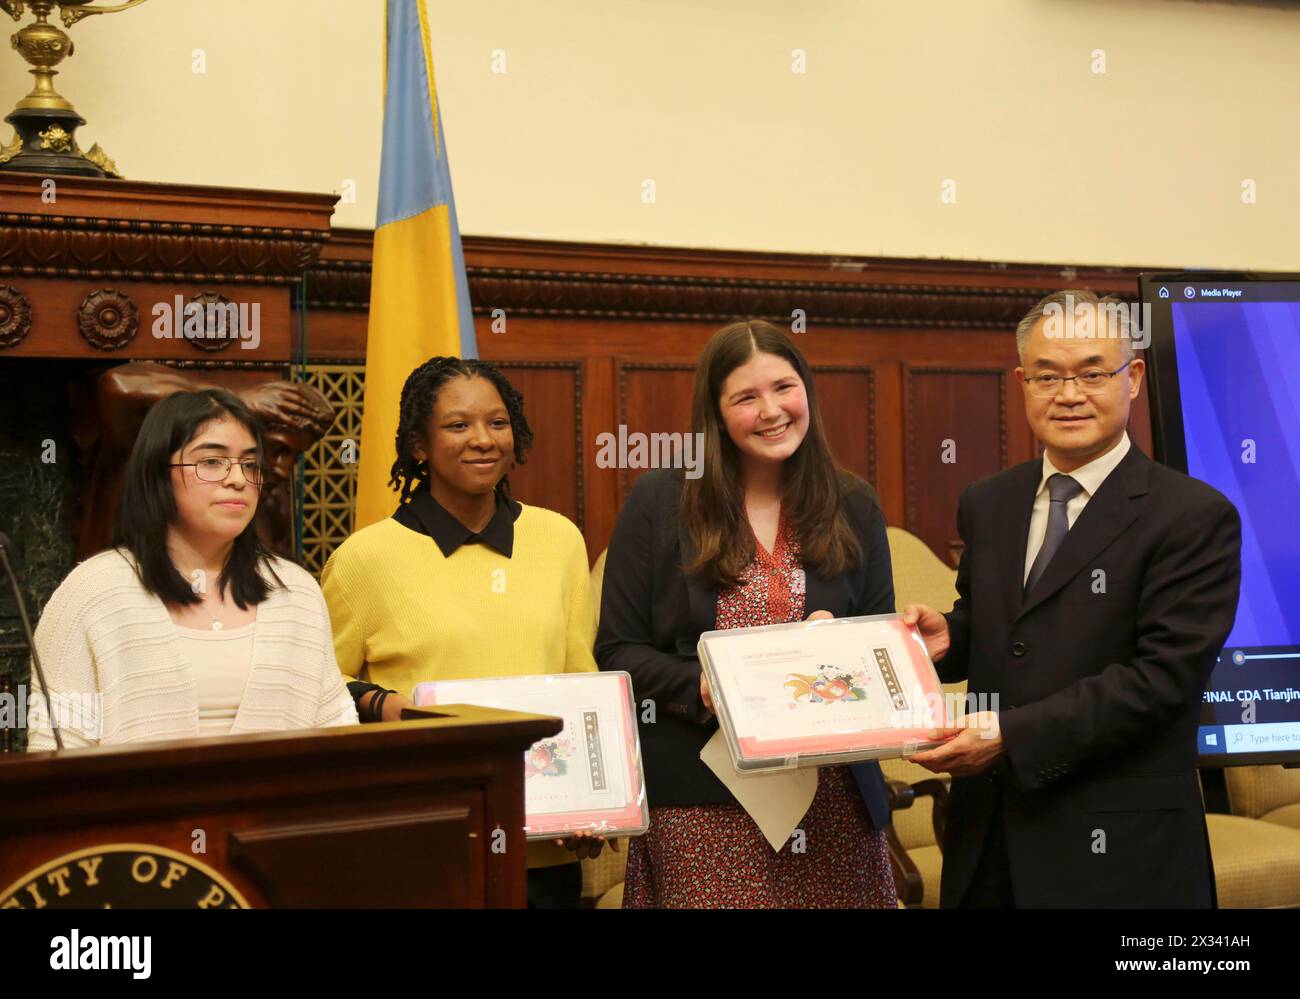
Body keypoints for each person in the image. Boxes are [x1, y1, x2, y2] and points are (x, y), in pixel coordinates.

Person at [905, 290, 1242, 908]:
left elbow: (1161, 680)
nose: (1068, 394)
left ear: (1133, 377)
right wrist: (949, 639)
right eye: (1048, 376)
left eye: (1092, 373)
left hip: (1120, 850)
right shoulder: (990, 501)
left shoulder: (1192, 516)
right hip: (990, 839)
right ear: (1022, 382)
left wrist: (1010, 733)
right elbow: (1005, 630)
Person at [596, 319, 898, 908]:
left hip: (832, 802)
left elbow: (883, 641)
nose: (771, 410)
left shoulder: (853, 502)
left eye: (784, 387)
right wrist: (701, 685)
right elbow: (617, 649)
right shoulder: (661, 502)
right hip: (703, 801)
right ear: (716, 413)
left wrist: (845, 649)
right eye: (745, 397)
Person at [320, 356, 606, 908]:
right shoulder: (364, 560)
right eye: (458, 425)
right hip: (423, 841)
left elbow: (580, 679)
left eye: (497, 424)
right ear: (419, 446)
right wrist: (386, 705)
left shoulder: (559, 539)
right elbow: (317, 690)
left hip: (543, 844)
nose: (482, 440)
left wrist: (593, 799)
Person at [27, 389, 356, 751]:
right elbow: (56, 754)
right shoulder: (93, 591)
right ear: (159, 473)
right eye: (212, 462)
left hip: (281, 808)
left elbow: (337, 737)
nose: (237, 479)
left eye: (249, 464)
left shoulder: (294, 591)